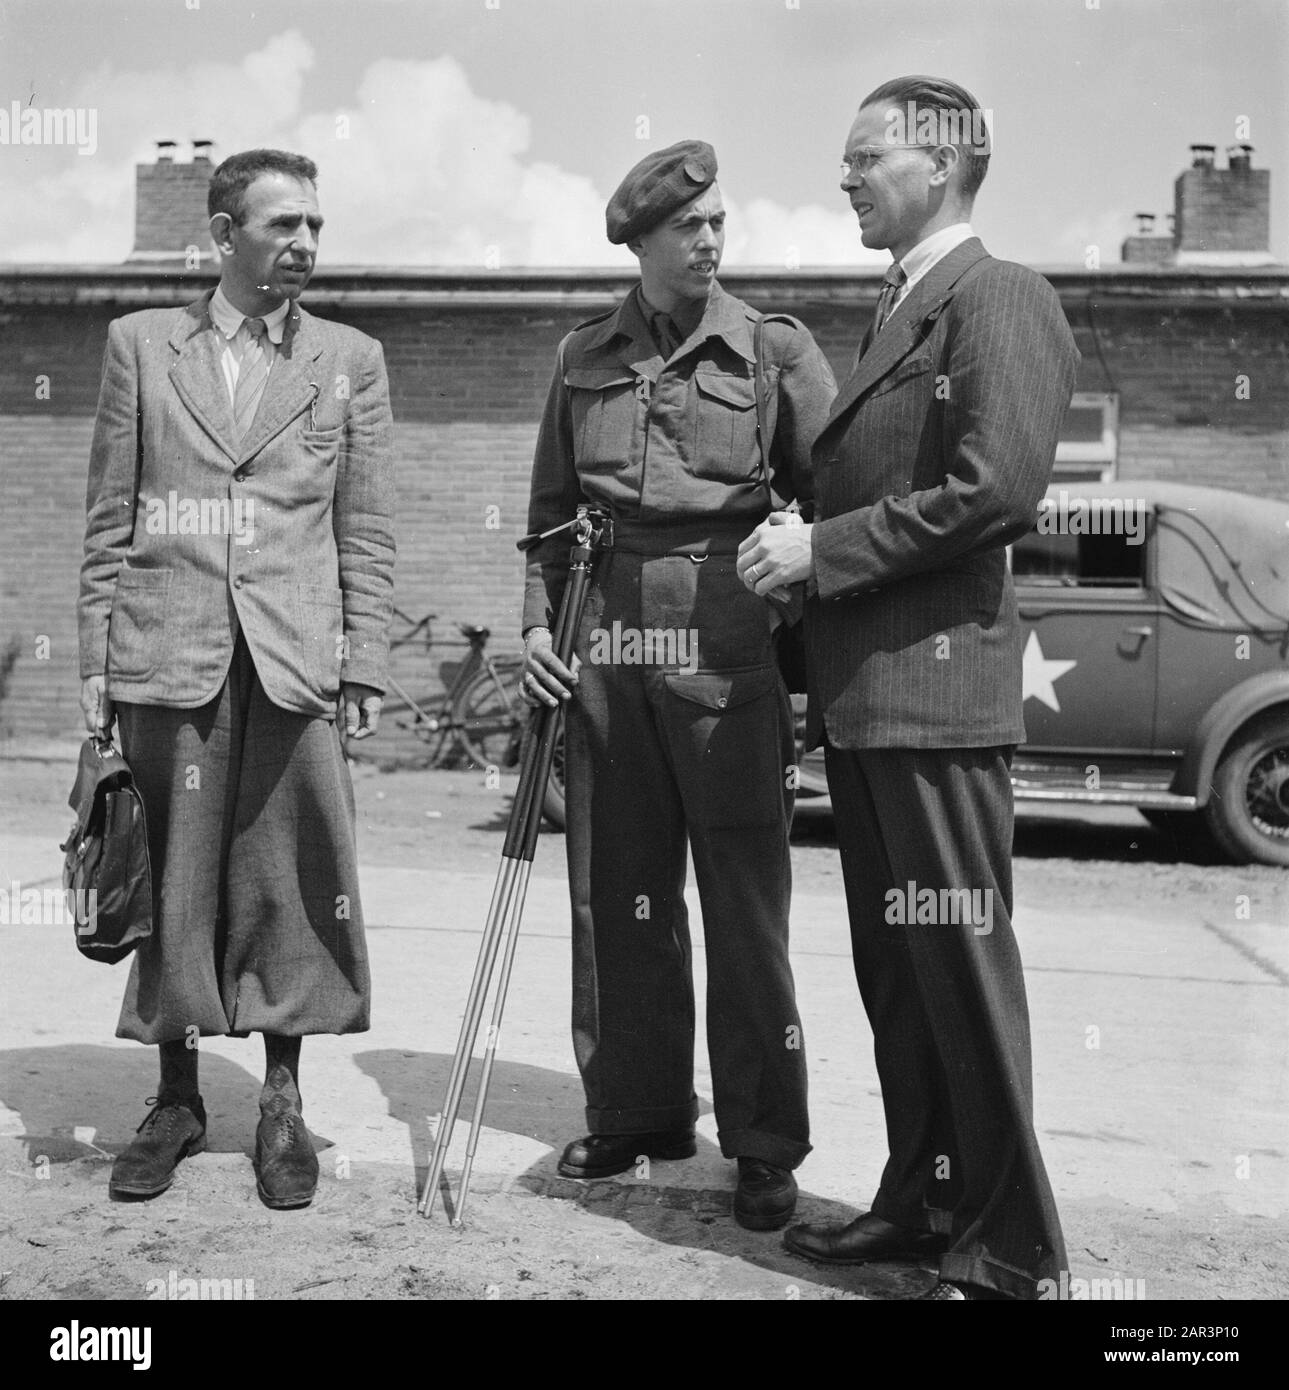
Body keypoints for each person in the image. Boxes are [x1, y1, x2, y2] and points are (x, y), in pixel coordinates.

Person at [738, 77, 1078, 1298]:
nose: (844, 178)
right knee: (902, 979)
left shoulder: (998, 296)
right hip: (873, 703)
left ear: (937, 165)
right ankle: (924, 1202)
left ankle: (1010, 1248)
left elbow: (996, 489)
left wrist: (822, 551)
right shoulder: (900, 309)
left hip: (935, 707)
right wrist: (805, 539)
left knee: (960, 975)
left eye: (863, 156)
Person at [521, 140, 836, 1230]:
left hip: (723, 632)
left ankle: (760, 1140)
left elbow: (829, 502)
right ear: (640, 243)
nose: (708, 240)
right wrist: (534, 629)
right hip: (602, 635)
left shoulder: (775, 352)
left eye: (716, 223)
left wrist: (796, 557)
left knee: (745, 904)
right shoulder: (581, 357)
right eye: (686, 228)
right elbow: (550, 519)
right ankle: (640, 1109)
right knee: (615, 891)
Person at [78, 148, 395, 1210]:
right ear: (222, 234)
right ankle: (174, 1099)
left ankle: (282, 1103)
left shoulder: (350, 358)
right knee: (174, 880)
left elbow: (368, 530)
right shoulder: (138, 347)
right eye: (281, 225)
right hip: (165, 655)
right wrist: (93, 664)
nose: (305, 243)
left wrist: (370, 662)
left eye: (315, 224)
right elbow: (107, 522)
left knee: (293, 883)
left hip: (292, 661)